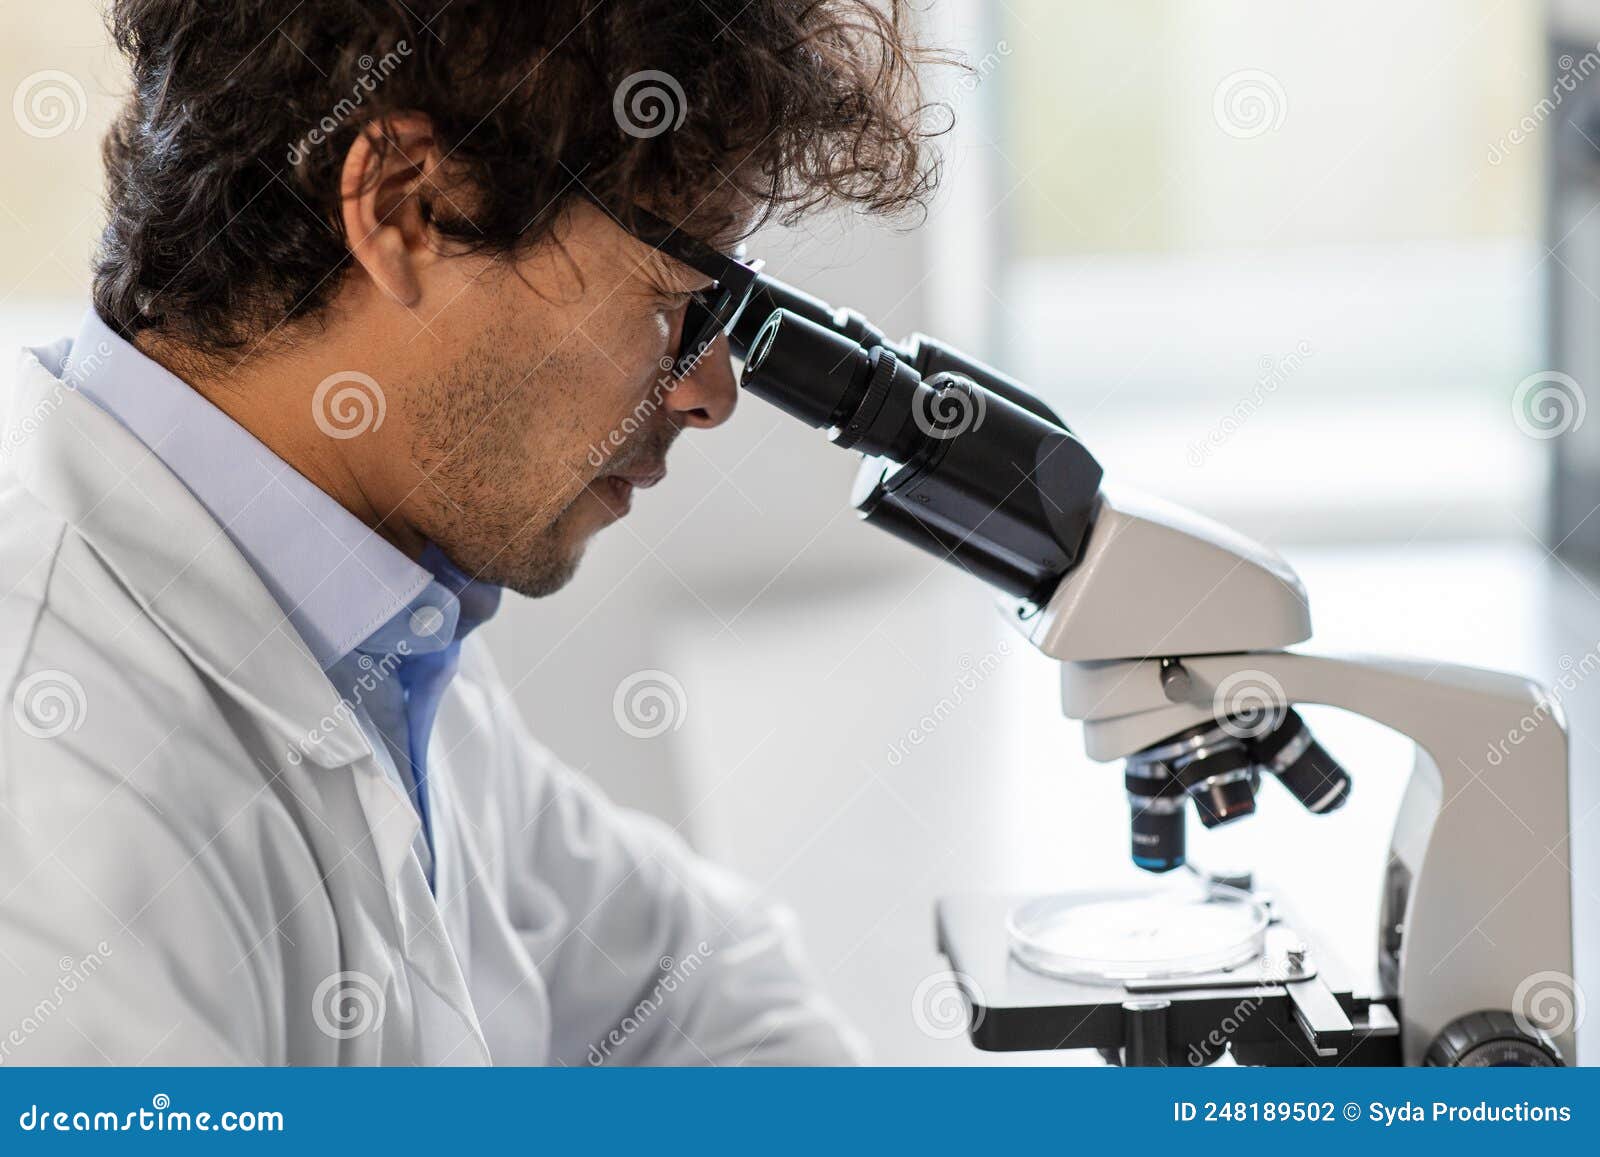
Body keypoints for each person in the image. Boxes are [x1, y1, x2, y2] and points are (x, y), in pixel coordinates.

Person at [0, 0, 941, 1064]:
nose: (710, 393)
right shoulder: (53, 779)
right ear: (405, 207)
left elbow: (701, 997)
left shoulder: (371, 611)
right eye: (682, 295)